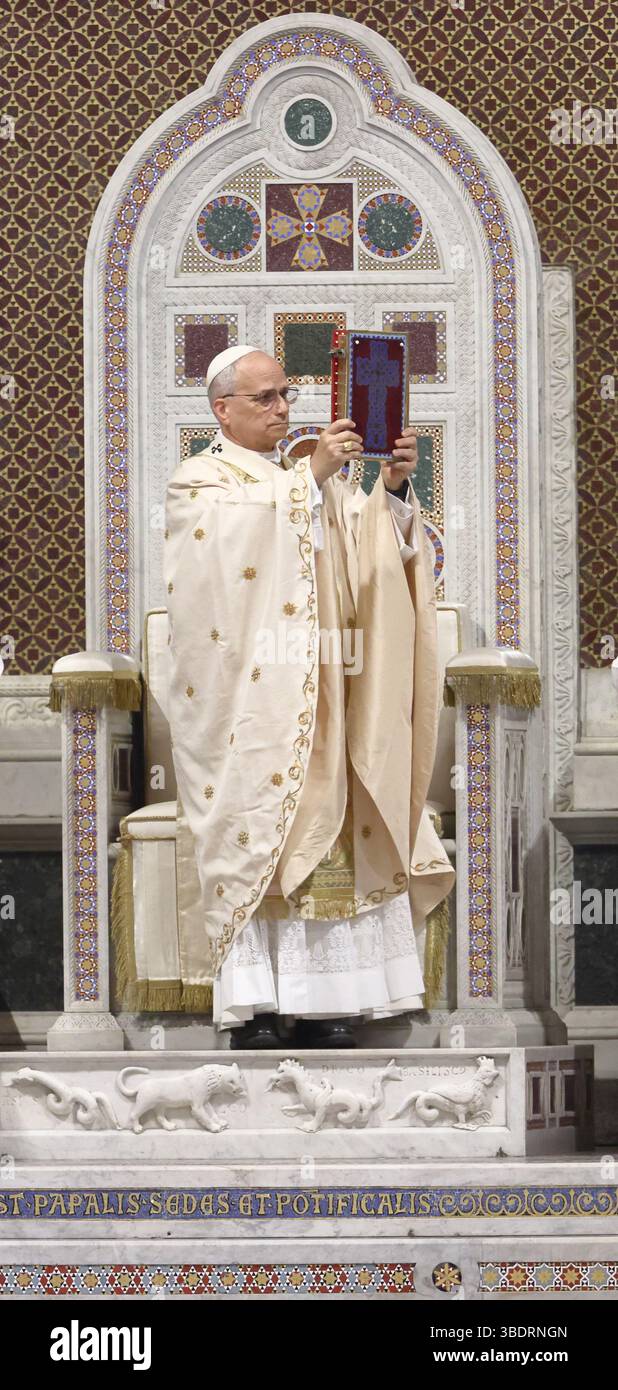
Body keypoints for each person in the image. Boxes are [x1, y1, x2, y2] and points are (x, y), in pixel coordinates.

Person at [164, 344, 451, 1047]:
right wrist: (306, 480)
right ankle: (260, 1006)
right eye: (265, 398)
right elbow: (217, 559)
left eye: (285, 394)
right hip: (252, 706)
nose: (282, 409)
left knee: (330, 830)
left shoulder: (314, 481)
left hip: (327, 689)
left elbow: (367, 554)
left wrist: (388, 492)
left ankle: (329, 1002)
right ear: (222, 408)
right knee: (263, 830)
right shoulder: (199, 479)